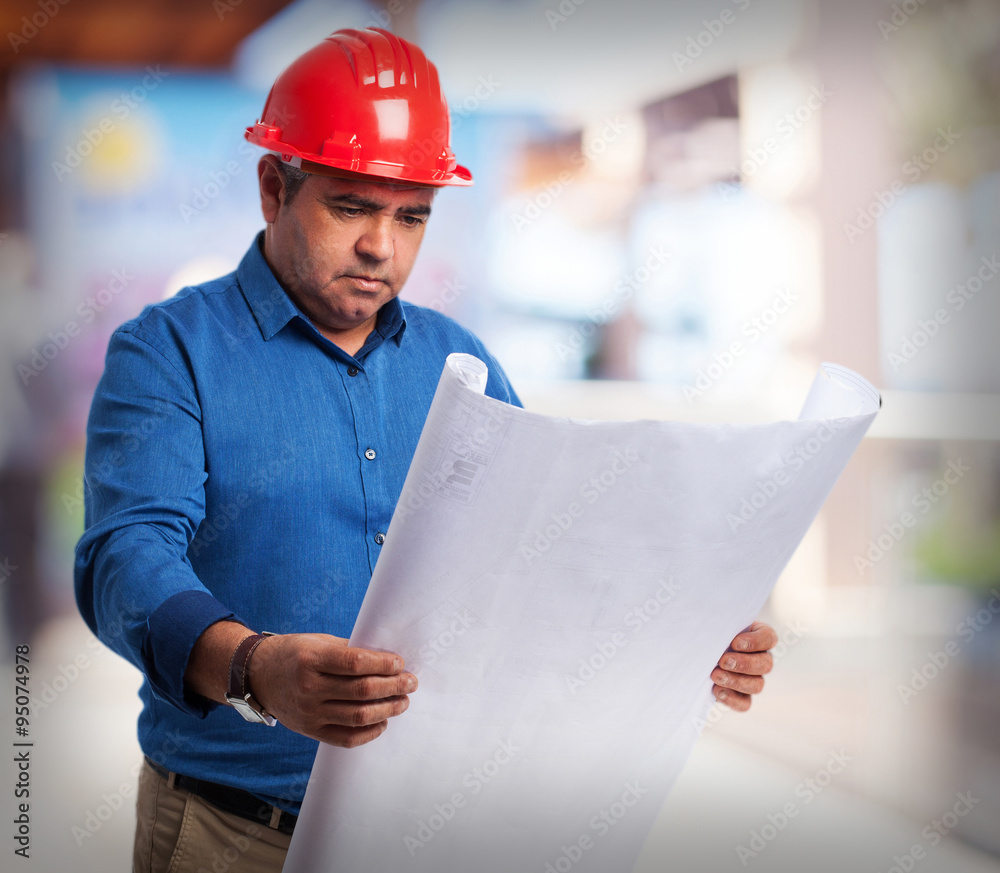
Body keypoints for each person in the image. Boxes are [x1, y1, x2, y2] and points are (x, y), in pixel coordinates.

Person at [74, 27, 779, 873]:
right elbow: (126, 557)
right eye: (350, 207)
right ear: (273, 186)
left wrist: (683, 634)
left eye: (411, 217)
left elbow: (545, 556)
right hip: (234, 835)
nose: (383, 247)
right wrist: (258, 669)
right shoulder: (169, 350)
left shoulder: (464, 364)